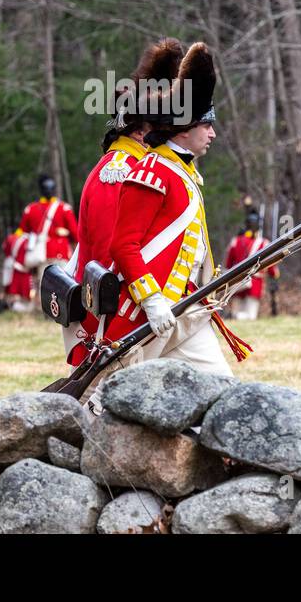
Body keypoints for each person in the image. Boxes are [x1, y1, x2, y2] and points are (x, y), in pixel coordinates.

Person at [106, 42, 249, 388]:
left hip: (184, 310)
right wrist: (152, 299)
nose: (213, 133)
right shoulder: (152, 171)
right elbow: (123, 245)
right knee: (104, 401)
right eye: (206, 125)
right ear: (184, 128)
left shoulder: (181, 172)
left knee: (223, 388)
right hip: (145, 315)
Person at [63, 37, 181, 364]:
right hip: (113, 317)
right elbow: (108, 255)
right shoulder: (119, 172)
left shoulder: (136, 168)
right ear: (142, 132)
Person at [18, 174, 78, 283]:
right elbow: (76, 234)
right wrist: (68, 233)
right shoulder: (64, 209)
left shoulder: (30, 209)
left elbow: (20, 234)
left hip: (41, 254)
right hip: (61, 253)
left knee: (45, 287)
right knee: (63, 286)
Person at [223, 206, 280, 320]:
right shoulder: (263, 243)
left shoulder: (236, 241)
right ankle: (233, 316)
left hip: (237, 282)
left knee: (237, 313)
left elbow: (228, 265)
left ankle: (233, 315)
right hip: (254, 283)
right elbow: (271, 268)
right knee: (250, 316)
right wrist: (275, 274)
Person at [0, 228, 34, 313]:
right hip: (20, 266)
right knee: (15, 288)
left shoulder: (14, 237)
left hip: (14, 264)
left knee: (12, 287)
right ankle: (12, 305)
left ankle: (11, 304)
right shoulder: (27, 240)